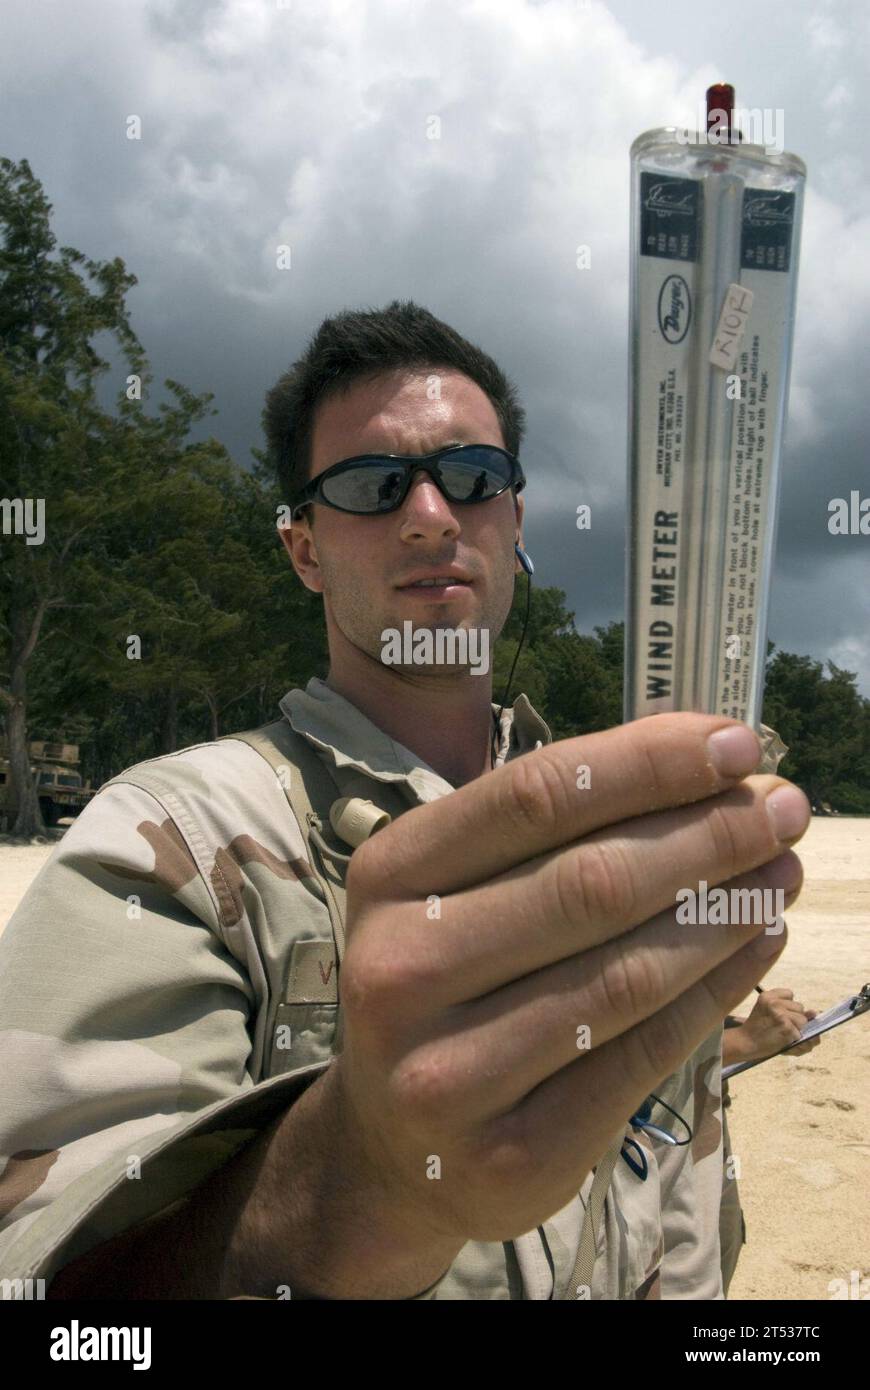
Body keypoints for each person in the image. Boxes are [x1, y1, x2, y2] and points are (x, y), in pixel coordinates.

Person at [0, 300, 812, 1300]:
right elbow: (49, 1280)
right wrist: (364, 1176)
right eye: (372, 485)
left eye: (472, 477)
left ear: (512, 521)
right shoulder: (174, 837)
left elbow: (676, 1187)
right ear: (303, 549)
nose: (430, 514)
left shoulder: (628, 832)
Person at [718, 989, 821, 1296]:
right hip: (643, 1142)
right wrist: (743, 1041)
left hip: (703, 1126)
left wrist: (753, 1031)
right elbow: (601, 1047)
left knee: (722, 1243)